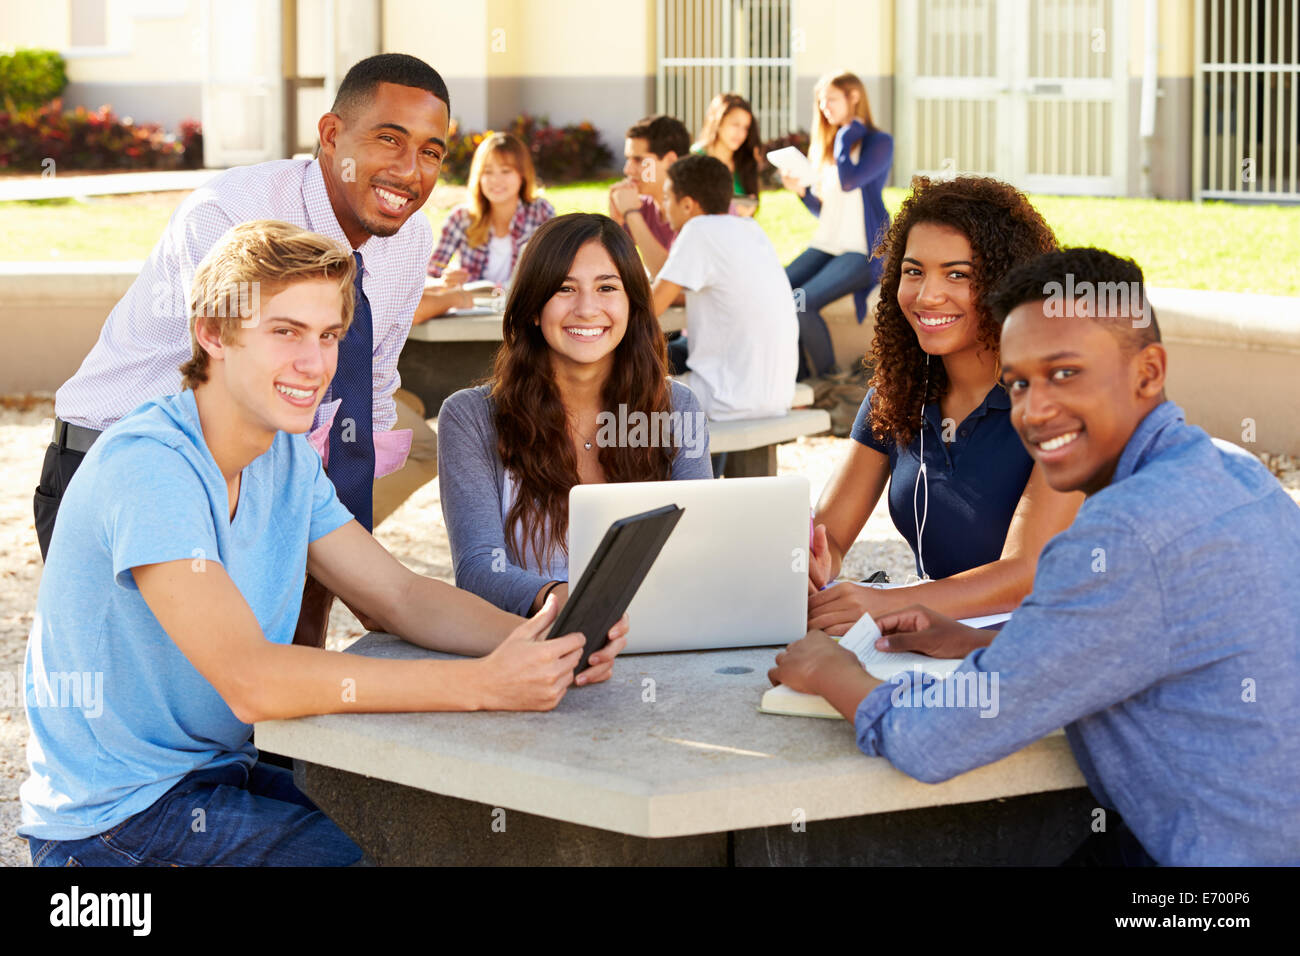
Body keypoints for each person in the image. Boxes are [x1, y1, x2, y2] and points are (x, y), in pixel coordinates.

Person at [19, 221, 629, 868]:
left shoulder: (282, 457)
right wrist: (483, 685)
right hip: (118, 823)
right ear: (212, 333)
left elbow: (399, 596)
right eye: (285, 332)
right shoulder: (151, 467)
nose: (314, 364)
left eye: (328, 335)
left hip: (222, 774)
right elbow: (252, 682)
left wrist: (534, 639)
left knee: (432, 832)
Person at [771, 247, 1300, 866]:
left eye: (1065, 373)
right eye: (1018, 383)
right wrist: (983, 646)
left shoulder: (1123, 533)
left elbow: (934, 742)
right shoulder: (1236, 472)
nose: (1034, 410)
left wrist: (830, 673)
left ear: (1149, 373)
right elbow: (1152, 644)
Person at [34, 53, 451, 644]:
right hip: (120, 466)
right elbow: (220, 388)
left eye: (431, 152)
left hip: (264, 473)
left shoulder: (409, 242)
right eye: (390, 140)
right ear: (331, 136)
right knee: (169, 706)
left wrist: (341, 540)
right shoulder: (232, 215)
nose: (410, 171)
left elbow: (371, 381)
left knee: (285, 685)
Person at [807, 176, 1082, 634]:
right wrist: (812, 564)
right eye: (913, 271)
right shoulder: (897, 394)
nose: (927, 294)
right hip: (937, 642)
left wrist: (884, 604)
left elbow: (1026, 573)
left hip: (1049, 650)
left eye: (958, 274)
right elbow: (828, 536)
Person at [438, 213, 713, 616]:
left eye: (607, 287)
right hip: (536, 644)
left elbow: (701, 546)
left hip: (656, 631)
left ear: (633, 305)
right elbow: (478, 570)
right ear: (533, 307)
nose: (587, 308)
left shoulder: (677, 408)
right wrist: (565, 600)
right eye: (565, 288)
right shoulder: (470, 418)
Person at [651, 153, 797, 422]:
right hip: (776, 396)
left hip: (726, 400)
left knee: (625, 386)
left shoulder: (698, 230)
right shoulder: (751, 229)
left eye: (667, 198)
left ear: (687, 205)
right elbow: (723, 295)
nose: (662, 209)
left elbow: (649, 307)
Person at [780, 71, 893, 380]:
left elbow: (850, 181)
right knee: (774, 292)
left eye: (831, 99)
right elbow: (826, 210)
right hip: (827, 245)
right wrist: (802, 191)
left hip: (862, 250)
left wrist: (845, 135)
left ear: (853, 97)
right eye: (820, 101)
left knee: (801, 305)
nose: (824, 106)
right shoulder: (828, 148)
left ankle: (830, 378)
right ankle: (797, 378)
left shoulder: (878, 142)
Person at [417, 132, 555, 323]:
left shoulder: (541, 212)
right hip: (472, 316)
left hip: (523, 315)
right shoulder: (460, 218)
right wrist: (444, 281)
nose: (495, 180)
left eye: (505, 171)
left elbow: (556, 272)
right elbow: (426, 278)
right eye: (487, 172)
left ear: (522, 175)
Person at [607, 114, 692, 277]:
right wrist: (616, 222)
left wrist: (631, 213)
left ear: (670, 161)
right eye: (628, 159)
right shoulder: (644, 206)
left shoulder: (697, 209)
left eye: (638, 160)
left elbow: (669, 278)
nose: (627, 170)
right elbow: (608, 271)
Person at [692, 92, 762, 215]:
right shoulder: (694, 158)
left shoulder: (745, 162)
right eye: (735, 125)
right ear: (718, 121)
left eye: (746, 128)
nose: (741, 133)